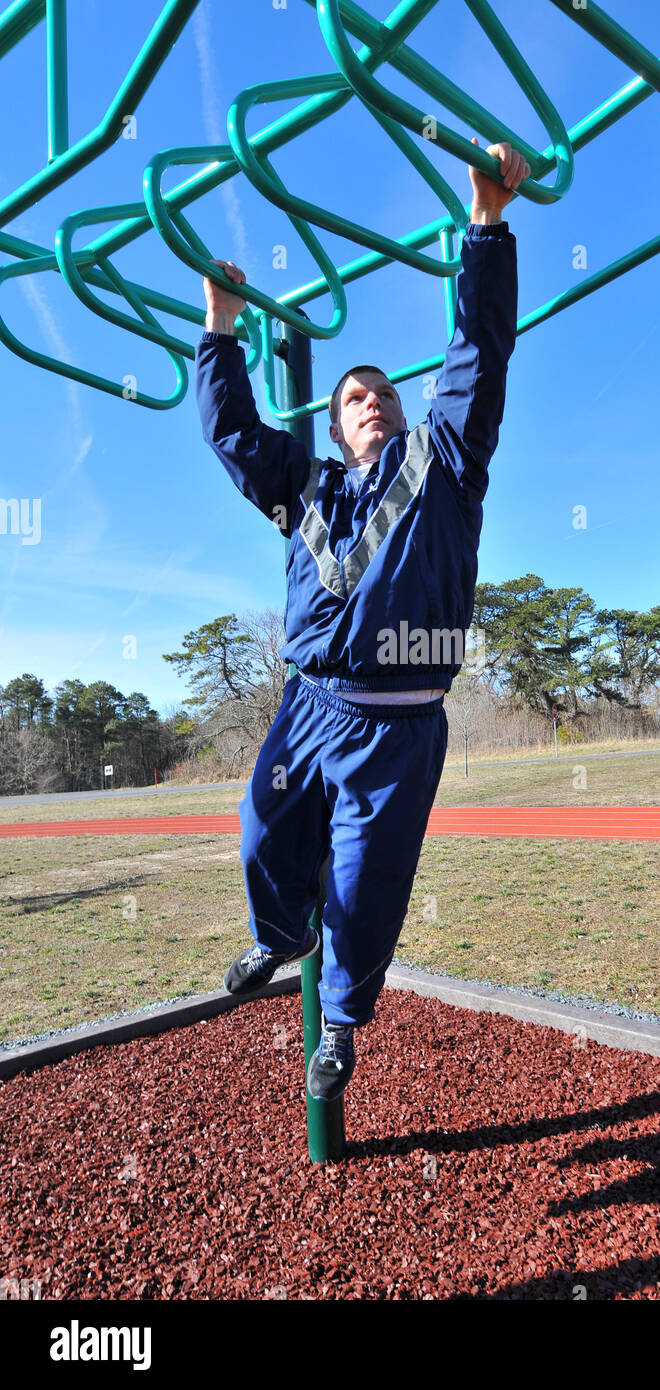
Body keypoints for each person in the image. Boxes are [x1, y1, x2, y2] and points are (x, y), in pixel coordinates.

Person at [196, 139, 529, 1101]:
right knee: (263, 834)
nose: (372, 401)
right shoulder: (302, 488)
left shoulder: (445, 464)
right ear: (336, 426)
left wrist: (485, 226)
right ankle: (278, 936)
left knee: (366, 880)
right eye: (354, 397)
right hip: (309, 705)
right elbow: (230, 434)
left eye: (384, 392)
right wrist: (220, 326)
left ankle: (339, 1026)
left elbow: (478, 356)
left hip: (399, 719)